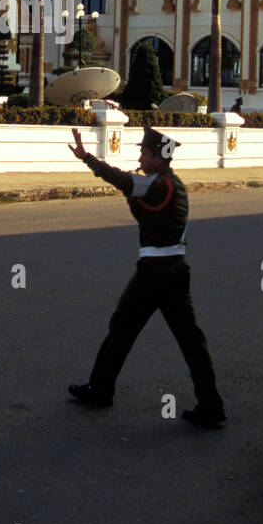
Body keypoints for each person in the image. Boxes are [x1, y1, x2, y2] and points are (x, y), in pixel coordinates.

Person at [67, 125, 226, 426]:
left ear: (157, 158)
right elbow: (145, 216)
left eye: (144, 153)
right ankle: (211, 405)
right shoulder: (168, 185)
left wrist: (87, 157)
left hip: (155, 274)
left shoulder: (160, 185)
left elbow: (120, 179)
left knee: (122, 328)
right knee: (189, 339)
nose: (140, 157)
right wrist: (132, 198)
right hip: (174, 271)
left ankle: (100, 390)